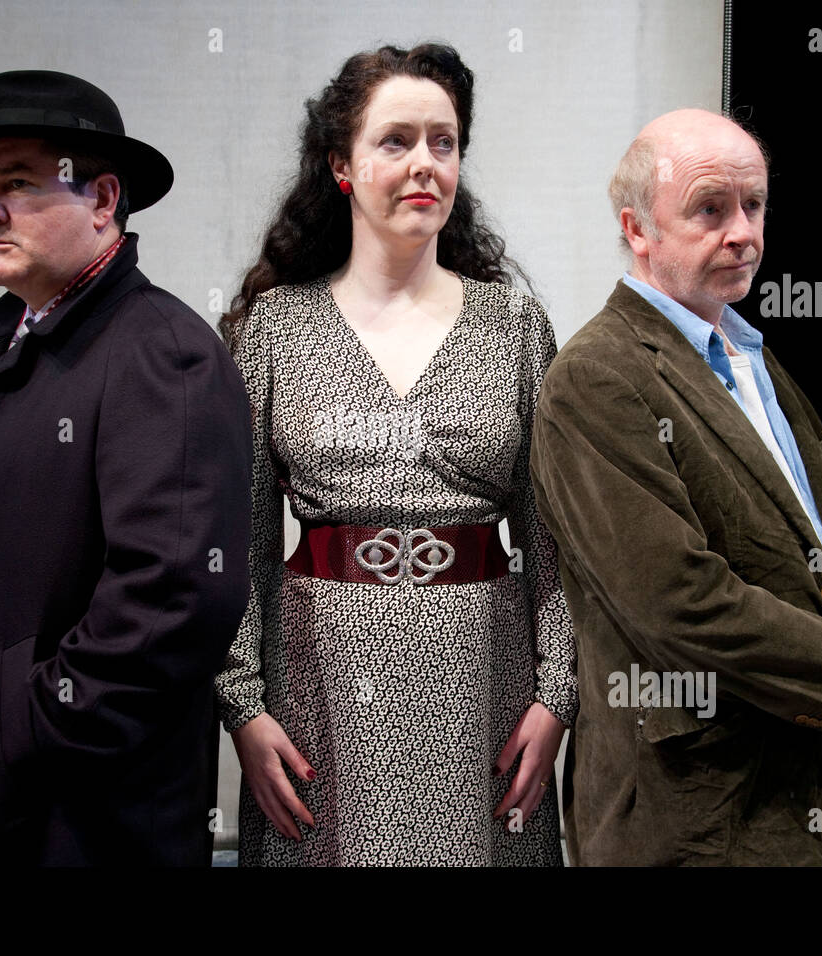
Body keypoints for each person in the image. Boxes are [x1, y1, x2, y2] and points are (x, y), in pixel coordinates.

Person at [529, 108, 822, 865]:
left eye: (754, 205)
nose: (742, 232)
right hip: (693, 810)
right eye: (710, 209)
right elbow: (678, 603)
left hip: (789, 787)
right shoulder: (596, 377)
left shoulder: (750, 355)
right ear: (638, 229)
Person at [214, 43, 577, 866]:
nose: (425, 164)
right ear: (342, 164)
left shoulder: (513, 327)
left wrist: (558, 697)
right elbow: (237, 543)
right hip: (319, 685)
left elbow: (555, 539)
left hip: (484, 681)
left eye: (444, 143)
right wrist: (243, 709)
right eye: (397, 141)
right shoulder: (277, 329)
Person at [0, 70, 251, 865]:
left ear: (102, 201)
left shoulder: (163, 354)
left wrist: (22, 731)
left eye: (17, 182)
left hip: (74, 824)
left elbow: (175, 596)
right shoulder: (24, 342)